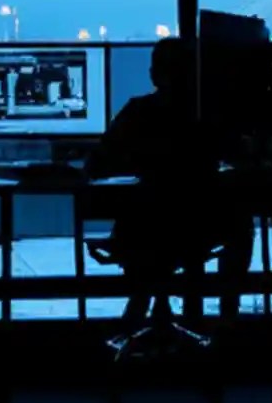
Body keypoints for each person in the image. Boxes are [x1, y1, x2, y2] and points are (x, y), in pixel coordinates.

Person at [87, 37, 253, 323]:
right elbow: (242, 157)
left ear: (153, 74)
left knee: (154, 249)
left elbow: (96, 165)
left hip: (143, 230)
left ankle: (139, 310)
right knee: (241, 225)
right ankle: (228, 319)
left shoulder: (136, 113)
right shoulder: (209, 117)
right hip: (200, 229)